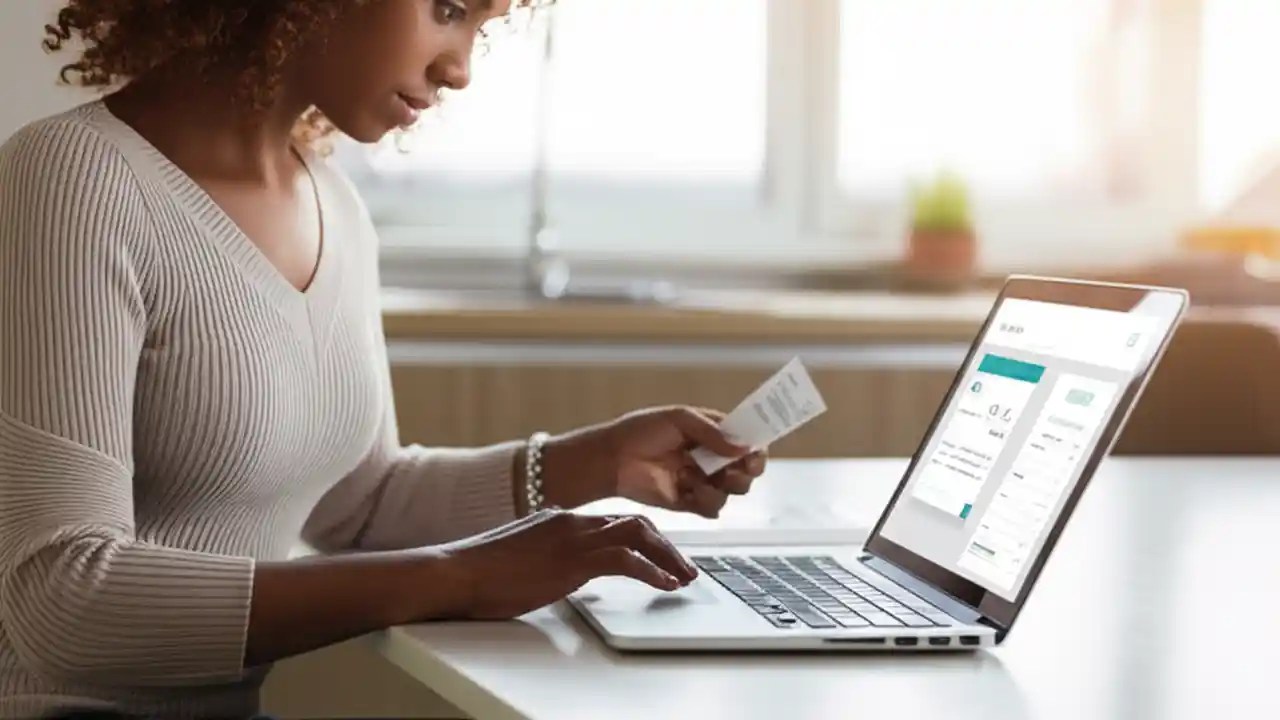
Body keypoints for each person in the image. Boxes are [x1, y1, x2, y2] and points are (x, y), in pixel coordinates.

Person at [0, 0, 768, 717]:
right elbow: (59, 601)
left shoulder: (332, 202)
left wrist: (602, 461)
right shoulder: (73, 179)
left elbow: (361, 505)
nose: (460, 66)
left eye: (482, 26)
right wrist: (458, 579)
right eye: (449, 9)